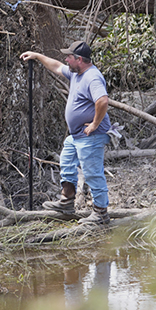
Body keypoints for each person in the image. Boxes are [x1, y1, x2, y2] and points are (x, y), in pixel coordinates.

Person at [19, 40, 113, 227]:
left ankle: (101, 214)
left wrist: (94, 124)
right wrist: (37, 56)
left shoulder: (92, 77)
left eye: (69, 56)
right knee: (67, 161)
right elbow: (57, 66)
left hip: (90, 136)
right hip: (77, 135)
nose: (66, 59)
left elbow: (102, 101)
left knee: (92, 173)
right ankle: (66, 203)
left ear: (79, 59)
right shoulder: (76, 73)